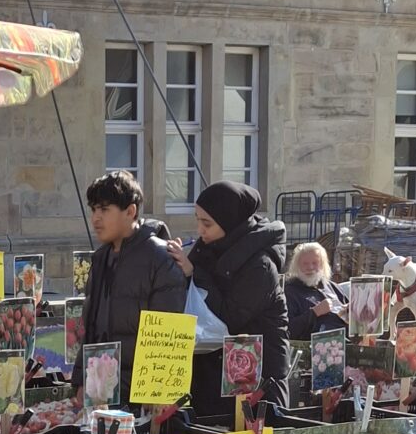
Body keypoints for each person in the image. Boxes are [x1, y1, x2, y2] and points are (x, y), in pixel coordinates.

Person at [171, 181, 290, 416]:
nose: (200, 230)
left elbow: (230, 318)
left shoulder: (261, 265)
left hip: (257, 388)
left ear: (230, 223)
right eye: (197, 221)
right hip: (212, 381)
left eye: (207, 223)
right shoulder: (208, 249)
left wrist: (194, 273)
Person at [74, 169, 189, 399]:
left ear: (131, 211)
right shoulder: (99, 259)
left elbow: (166, 341)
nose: (96, 218)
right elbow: (92, 331)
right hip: (100, 392)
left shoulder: (160, 259)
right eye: (93, 209)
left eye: (104, 209)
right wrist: (81, 382)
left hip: (141, 398)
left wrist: (154, 399)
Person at [284, 242, 347, 338]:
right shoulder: (290, 292)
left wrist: (350, 312)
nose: (310, 267)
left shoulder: (332, 287)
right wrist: (314, 313)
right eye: (305, 263)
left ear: (322, 265)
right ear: (297, 266)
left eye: (315, 263)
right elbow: (287, 330)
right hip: (312, 348)